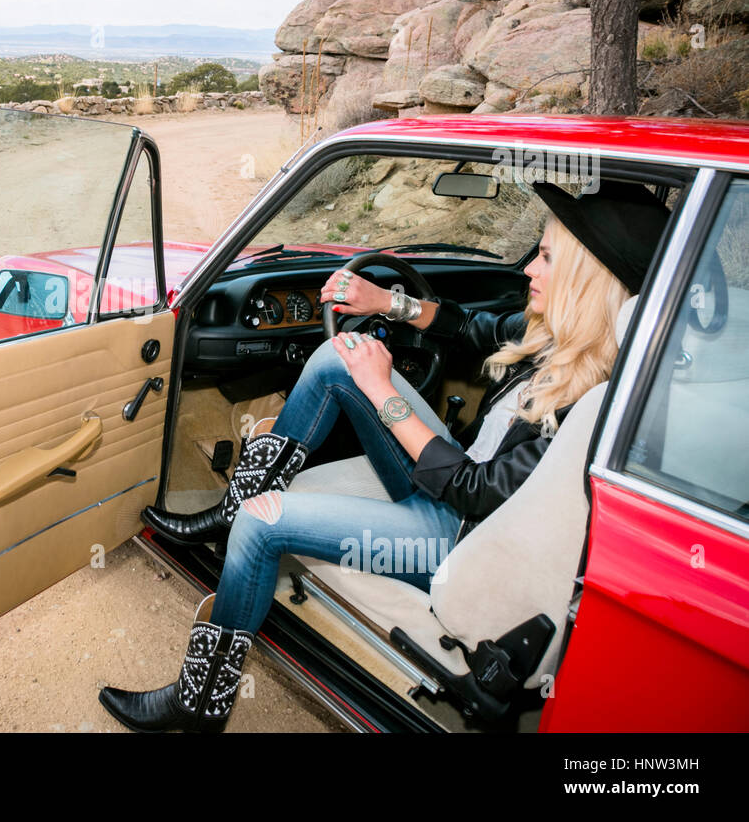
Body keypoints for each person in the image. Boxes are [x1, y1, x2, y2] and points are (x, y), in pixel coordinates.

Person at [102, 179, 671, 732]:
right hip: (449, 484)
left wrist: (382, 390)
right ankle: (233, 504)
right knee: (336, 354)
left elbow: (475, 492)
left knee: (262, 523)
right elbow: (471, 327)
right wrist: (384, 302)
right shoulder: (559, 333)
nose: (528, 269)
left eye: (545, 258)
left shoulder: (595, 403)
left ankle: (201, 700)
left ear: (586, 279)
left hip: (458, 537)